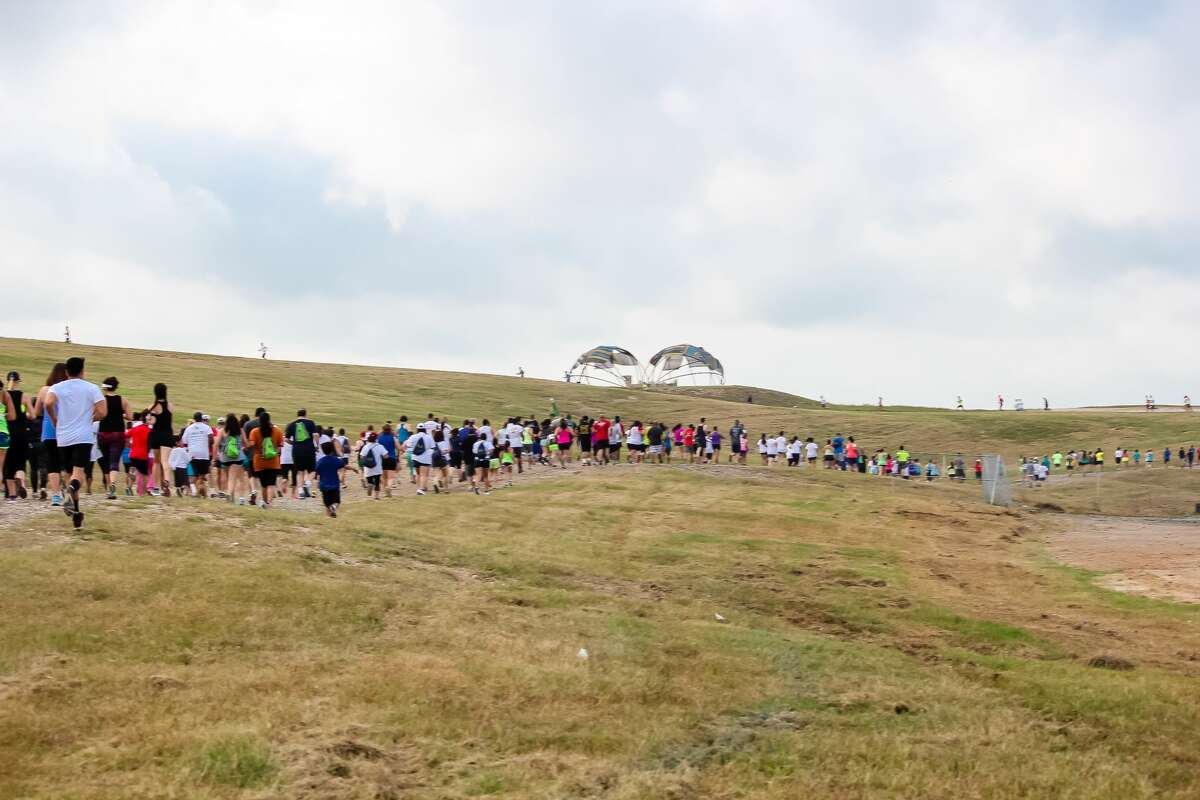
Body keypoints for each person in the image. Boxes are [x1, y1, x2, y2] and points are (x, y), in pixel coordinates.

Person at [43, 357, 104, 529]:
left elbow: (48, 402)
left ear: (66, 372)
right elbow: (103, 411)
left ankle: (76, 515)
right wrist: (92, 417)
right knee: (78, 474)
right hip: (83, 436)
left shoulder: (57, 387)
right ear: (82, 371)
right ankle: (70, 490)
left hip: (63, 436)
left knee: (70, 474)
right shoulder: (91, 388)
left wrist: (54, 418)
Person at [247, 412, 283, 508]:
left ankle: (264, 501)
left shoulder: (254, 431)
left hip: (259, 461)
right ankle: (269, 503)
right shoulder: (277, 431)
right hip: (273, 461)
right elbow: (280, 446)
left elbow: (252, 445)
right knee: (271, 483)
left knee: (263, 485)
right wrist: (274, 452)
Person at [147, 383, 175, 497]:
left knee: (156, 462)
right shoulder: (170, 406)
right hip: (168, 434)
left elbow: (151, 421)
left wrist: (149, 419)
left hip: (156, 435)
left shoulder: (153, 407)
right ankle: (167, 483)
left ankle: (156, 488)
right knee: (165, 461)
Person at [181, 412, 214, 497]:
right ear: (201, 418)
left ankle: (198, 490)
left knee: (196, 474)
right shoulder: (207, 427)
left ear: (194, 419)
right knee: (202, 475)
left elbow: (184, 441)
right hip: (204, 453)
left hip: (193, 453)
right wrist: (207, 444)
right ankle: (201, 489)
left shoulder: (189, 428)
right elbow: (211, 439)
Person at [286, 409, 318, 498]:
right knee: (312, 470)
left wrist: (293, 443)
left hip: (296, 451)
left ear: (297, 415)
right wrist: (317, 445)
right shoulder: (311, 423)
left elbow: (286, 439)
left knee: (299, 472)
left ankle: (300, 491)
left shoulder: (292, 424)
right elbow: (316, 435)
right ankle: (307, 484)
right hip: (309, 450)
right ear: (305, 414)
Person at [216, 414, 246, 504]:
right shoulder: (240, 430)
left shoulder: (222, 431)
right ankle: (229, 494)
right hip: (237, 457)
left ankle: (231, 497)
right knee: (234, 478)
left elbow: (216, 444)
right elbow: (246, 443)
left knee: (228, 477)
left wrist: (215, 457)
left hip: (225, 458)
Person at [315, 441, 348, 516]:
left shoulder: (320, 461)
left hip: (324, 486)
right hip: (334, 485)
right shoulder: (335, 460)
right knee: (337, 502)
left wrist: (317, 481)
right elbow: (344, 466)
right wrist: (353, 469)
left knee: (327, 505)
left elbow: (316, 472)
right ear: (332, 450)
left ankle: (329, 517)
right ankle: (333, 508)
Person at [407, 424, 435, 495]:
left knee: (418, 474)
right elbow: (433, 447)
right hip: (425, 458)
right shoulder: (429, 437)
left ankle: (419, 488)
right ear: (425, 429)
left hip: (415, 457)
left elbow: (408, 445)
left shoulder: (413, 437)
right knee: (424, 474)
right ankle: (421, 489)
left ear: (417, 429)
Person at [358, 432, 386, 499]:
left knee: (369, 480)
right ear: (376, 439)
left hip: (368, 467)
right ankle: (376, 496)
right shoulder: (380, 446)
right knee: (377, 482)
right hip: (377, 467)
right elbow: (385, 456)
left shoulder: (365, 447)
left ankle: (370, 484)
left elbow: (361, 456)